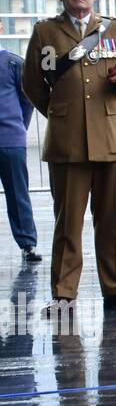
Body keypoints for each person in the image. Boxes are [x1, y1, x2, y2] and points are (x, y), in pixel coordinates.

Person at [21, 0, 116, 313]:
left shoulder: (115, 28)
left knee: (111, 221)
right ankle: (63, 293)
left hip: (112, 137)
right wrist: (60, 114)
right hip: (68, 142)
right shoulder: (46, 32)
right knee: (68, 223)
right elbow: (32, 82)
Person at [0, 46, 39, 263]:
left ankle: (27, 244)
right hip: (12, 137)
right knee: (17, 193)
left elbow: (28, 99)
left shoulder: (14, 62)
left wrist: (18, 127)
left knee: (17, 194)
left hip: (10, 140)